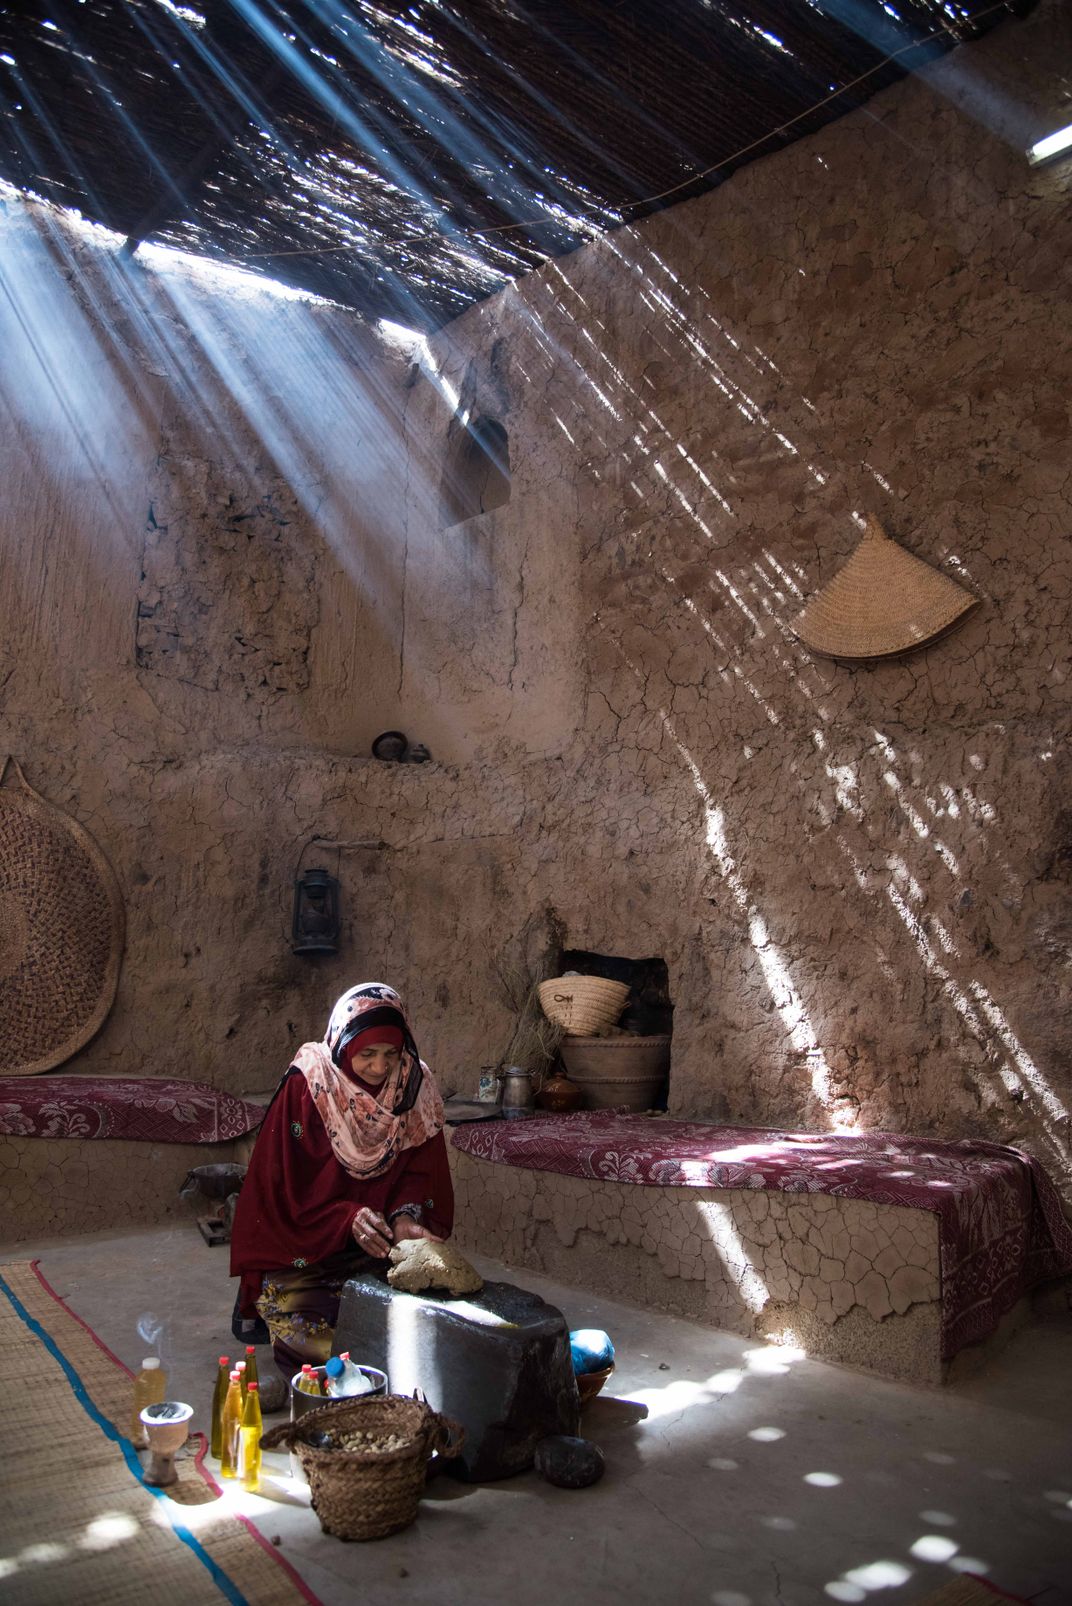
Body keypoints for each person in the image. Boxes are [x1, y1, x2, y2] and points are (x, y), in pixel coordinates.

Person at [229, 981, 453, 1380]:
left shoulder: (413, 1085)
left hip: (374, 1247)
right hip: (304, 1249)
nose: (380, 1068)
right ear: (342, 1044)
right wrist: (344, 1218)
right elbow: (281, 1192)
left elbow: (421, 1168)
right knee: (332, 1349)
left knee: (433, 1324)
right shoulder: (308, 1087)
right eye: (366, 1054)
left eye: (391, 1053)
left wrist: (404, 1215)